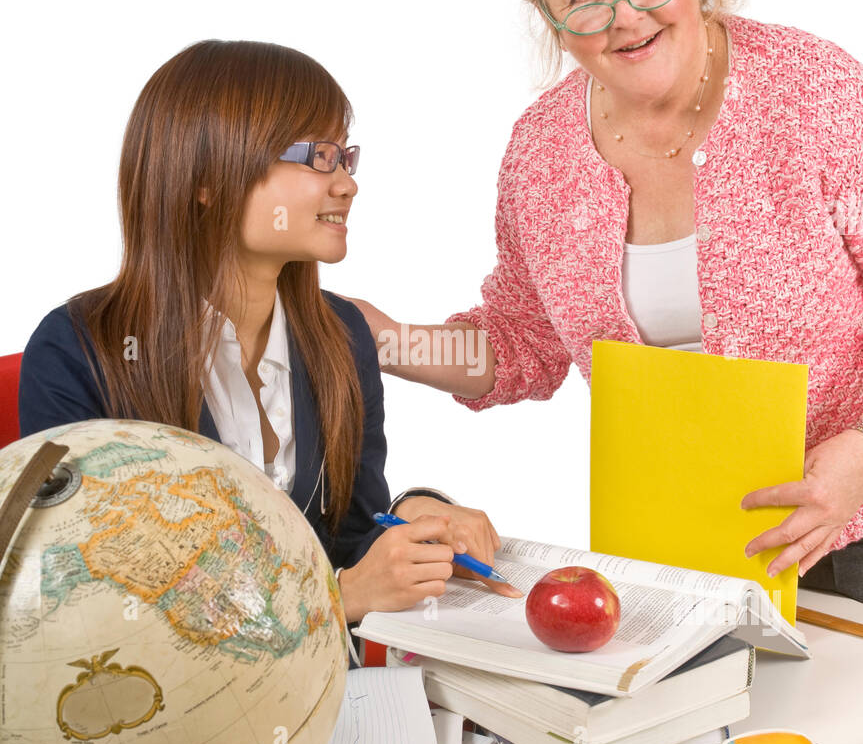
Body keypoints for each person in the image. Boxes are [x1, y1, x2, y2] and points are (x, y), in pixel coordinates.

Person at [349, 0, 863, 601]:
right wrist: (380, 337)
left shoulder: (812, 91)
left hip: (848, 530)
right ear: (550, 18)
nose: (625, 14)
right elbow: (520, 342)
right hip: (677, 551)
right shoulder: (540, 152)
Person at [18, 39, 519, 635]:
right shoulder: (80, 350)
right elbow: (87, 602)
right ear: (206, 178)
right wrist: (339, 598)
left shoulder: (341, 335)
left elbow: (347, 536)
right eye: (318, 157)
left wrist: (411, 516)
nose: (347, 185)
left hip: (338, 701)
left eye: (346, 157)